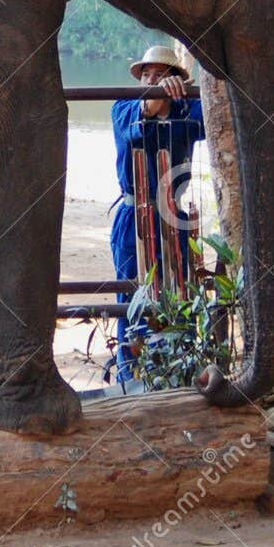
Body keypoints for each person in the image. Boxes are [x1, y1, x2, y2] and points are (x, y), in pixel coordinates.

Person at [109, 44, 204, 381]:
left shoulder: (187, 109)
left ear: (176, 81)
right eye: (146, 74)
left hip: (174, 216)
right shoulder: (123, 106)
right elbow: (134, 122)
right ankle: (129, 376)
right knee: (133, 297)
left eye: (160, 74)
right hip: (133, 218)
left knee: (180, 291)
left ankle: (178, 370)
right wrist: (153, 102)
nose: (151, 79)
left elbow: (218, 118)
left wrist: (188, 96)